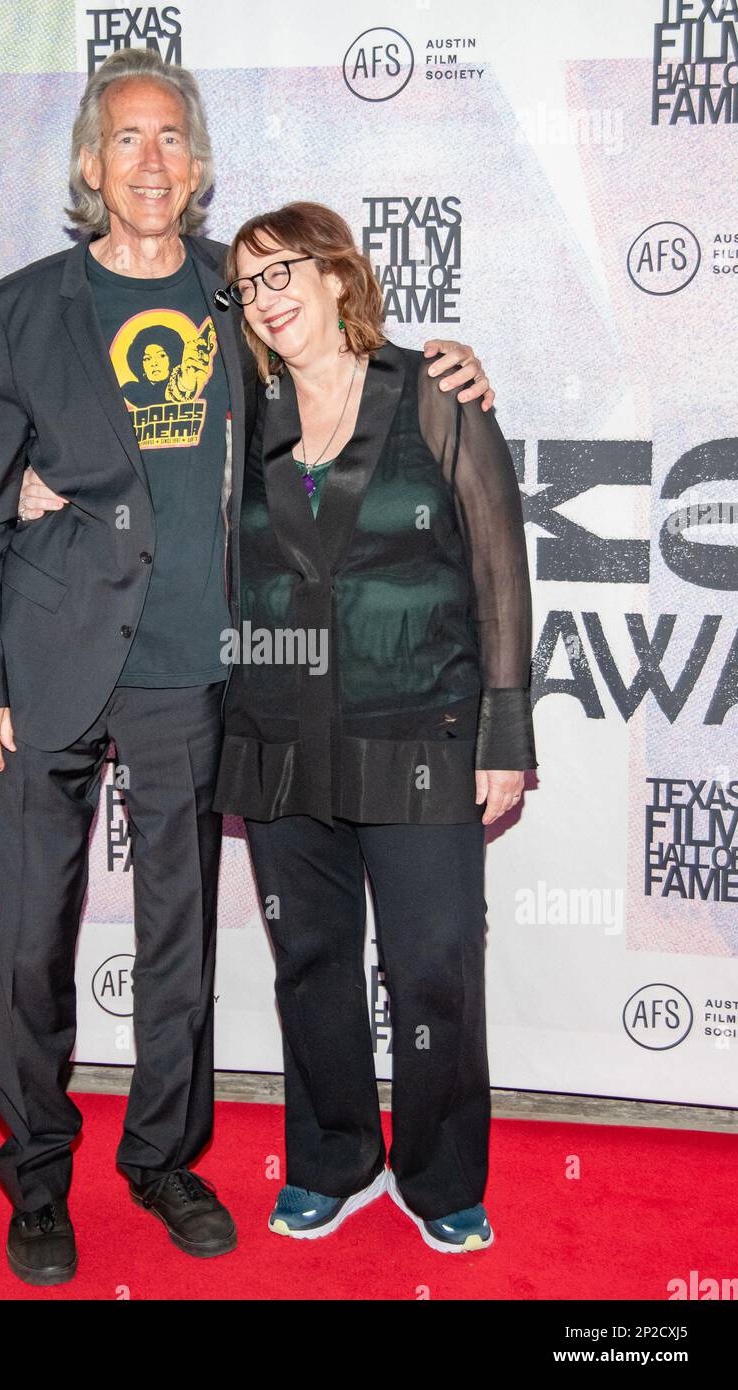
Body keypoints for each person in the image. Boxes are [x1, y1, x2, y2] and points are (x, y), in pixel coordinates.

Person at [0, 46, 496, 1285]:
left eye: (172, 139)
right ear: (91, 163)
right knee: (33, 937)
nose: (151, 160)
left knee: (180, 937)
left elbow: (342, 376)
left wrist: (445, 372)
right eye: (127, 139)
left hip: (195, 671)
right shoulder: (21, 308)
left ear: (198, 165)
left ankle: (162, 1158)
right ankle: (37, 1174)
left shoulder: (232, 296)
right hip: (40, 663)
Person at [208, 201, 537, 1251]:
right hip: (277, 733)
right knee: (308, 954)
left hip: (423, 729)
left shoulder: (434, 393)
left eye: (283, 271)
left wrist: (504, 732)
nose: (266, 297)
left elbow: (498, 562)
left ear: (341, 275)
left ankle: (439, 1176)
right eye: (246, 284)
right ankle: (332, 1155)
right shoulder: (239, 412)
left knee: (433, 959)